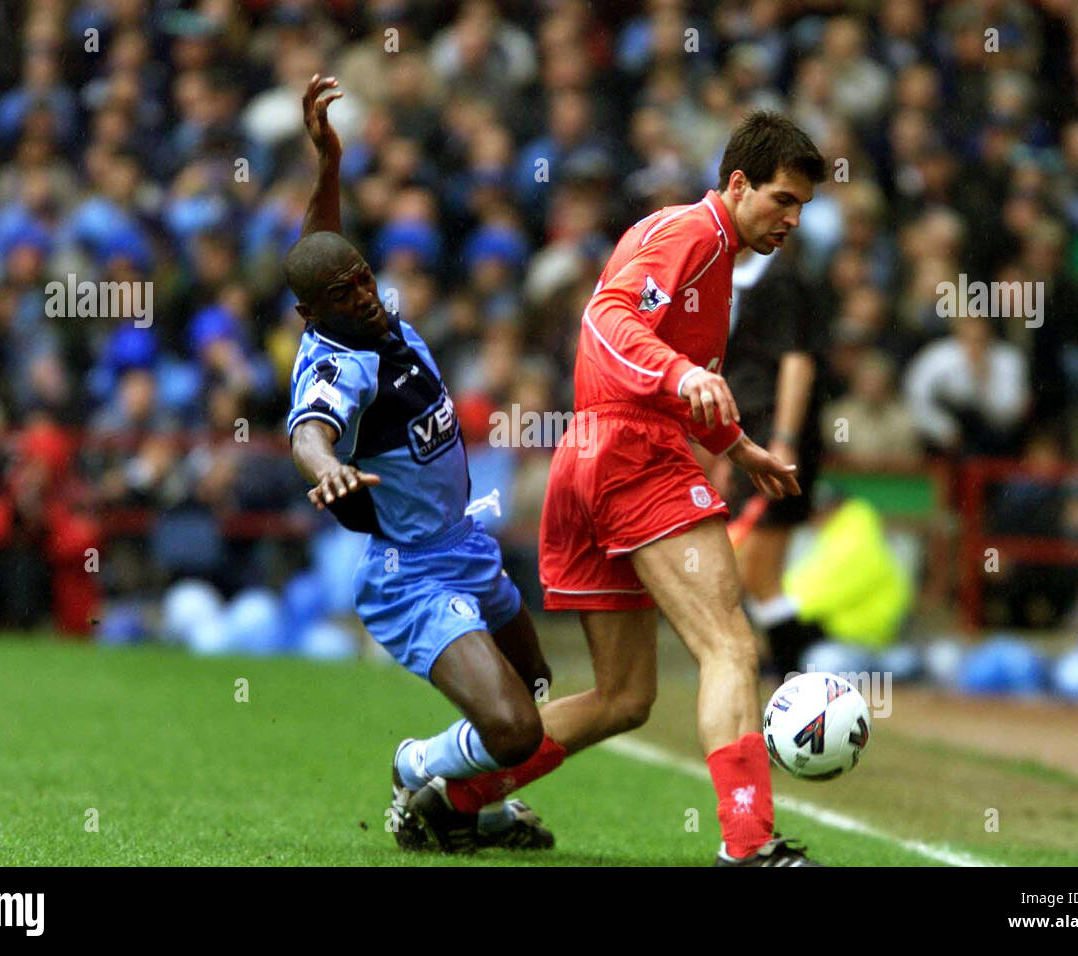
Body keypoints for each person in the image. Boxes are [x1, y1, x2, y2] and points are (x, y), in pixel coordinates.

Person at [284, 76, 560, 854]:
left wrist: (329, 165)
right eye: (345, 293)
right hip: (413, 573)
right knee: (513, 727)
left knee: (533, 688)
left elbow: (320, 250)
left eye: (364, 278)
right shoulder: (338, 364)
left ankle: (476, 811)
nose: (366, 296)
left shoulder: (345, 296)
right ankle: (415, 767)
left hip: (463, 544)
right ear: (315, 315)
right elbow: (309, 428)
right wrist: (325, 464)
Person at [542, 111, 827, 865]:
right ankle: (749, 844)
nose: (793, 220)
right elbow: (605, 318)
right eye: (783, 200)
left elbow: (674, 378)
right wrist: (683, 373)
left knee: (623, 700)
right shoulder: (692, 236)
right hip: (631, 451)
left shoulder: (715, 258)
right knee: (730, 644)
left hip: (594, 453)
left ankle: (446, 779)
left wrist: (737, 446)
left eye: (802, 207)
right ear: (738, 183)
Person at [723, 238, 831, 679]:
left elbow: (797, 361)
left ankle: (799, 669)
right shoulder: (727, 278)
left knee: (753, 569)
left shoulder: (781, 280)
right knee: (756, 573)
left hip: (772, 438)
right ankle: (800, 669)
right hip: (745, 438)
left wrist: (785, 438)